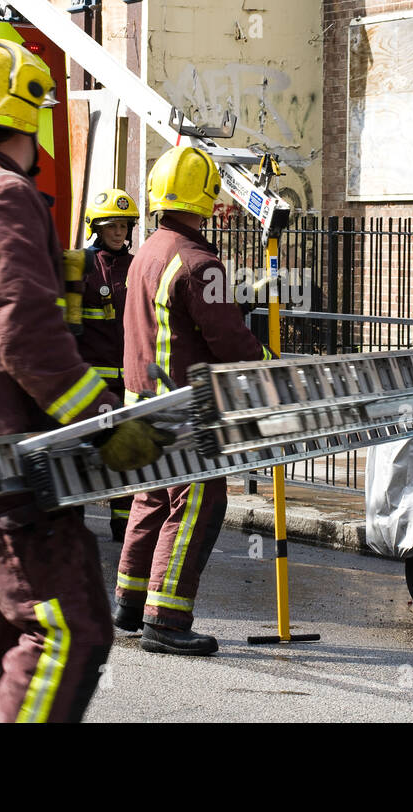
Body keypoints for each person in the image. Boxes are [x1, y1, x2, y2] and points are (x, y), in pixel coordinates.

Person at [0, 37, 169, 722]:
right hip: (3, 466)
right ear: (29, 114)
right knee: (66, 629)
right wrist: (106, 424)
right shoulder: (1, 192)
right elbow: (23, 327)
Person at [113, 145, 274, 656]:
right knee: (199, 502)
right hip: (182, 405)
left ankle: (129, 605)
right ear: (207, 199)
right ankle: (166, 619)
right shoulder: (198, 261)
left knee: (151, 498)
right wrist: (268, 359)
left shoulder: (148, 251)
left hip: (141, 399)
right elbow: (227, 341)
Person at [74, 188, 140, 541]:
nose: (119, 233)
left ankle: (122, 524)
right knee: (82, 454)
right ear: (96, 228)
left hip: (126, 383)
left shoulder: (135, 266)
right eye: (112, 226)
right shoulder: (81, 267)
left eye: (124, 226)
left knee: (124, 454)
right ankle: (73, 521)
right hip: (89, 384)